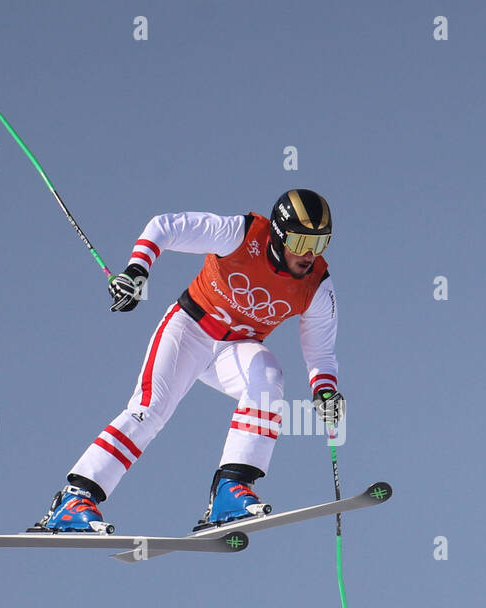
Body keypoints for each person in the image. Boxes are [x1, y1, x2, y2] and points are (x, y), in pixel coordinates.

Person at [30, 189, 346, 534]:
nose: (309, 255)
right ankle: (76, 497)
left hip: (236, 349)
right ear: (280, 234)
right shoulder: (240, 235)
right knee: (150, 410)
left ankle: (231, 490)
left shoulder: (317, 286)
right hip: (190, 330)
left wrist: (325, 391)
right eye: (301, 242)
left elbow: (320, 353)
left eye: (320, 243)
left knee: (268, 376)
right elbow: (164, 226)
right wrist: (138, 270)